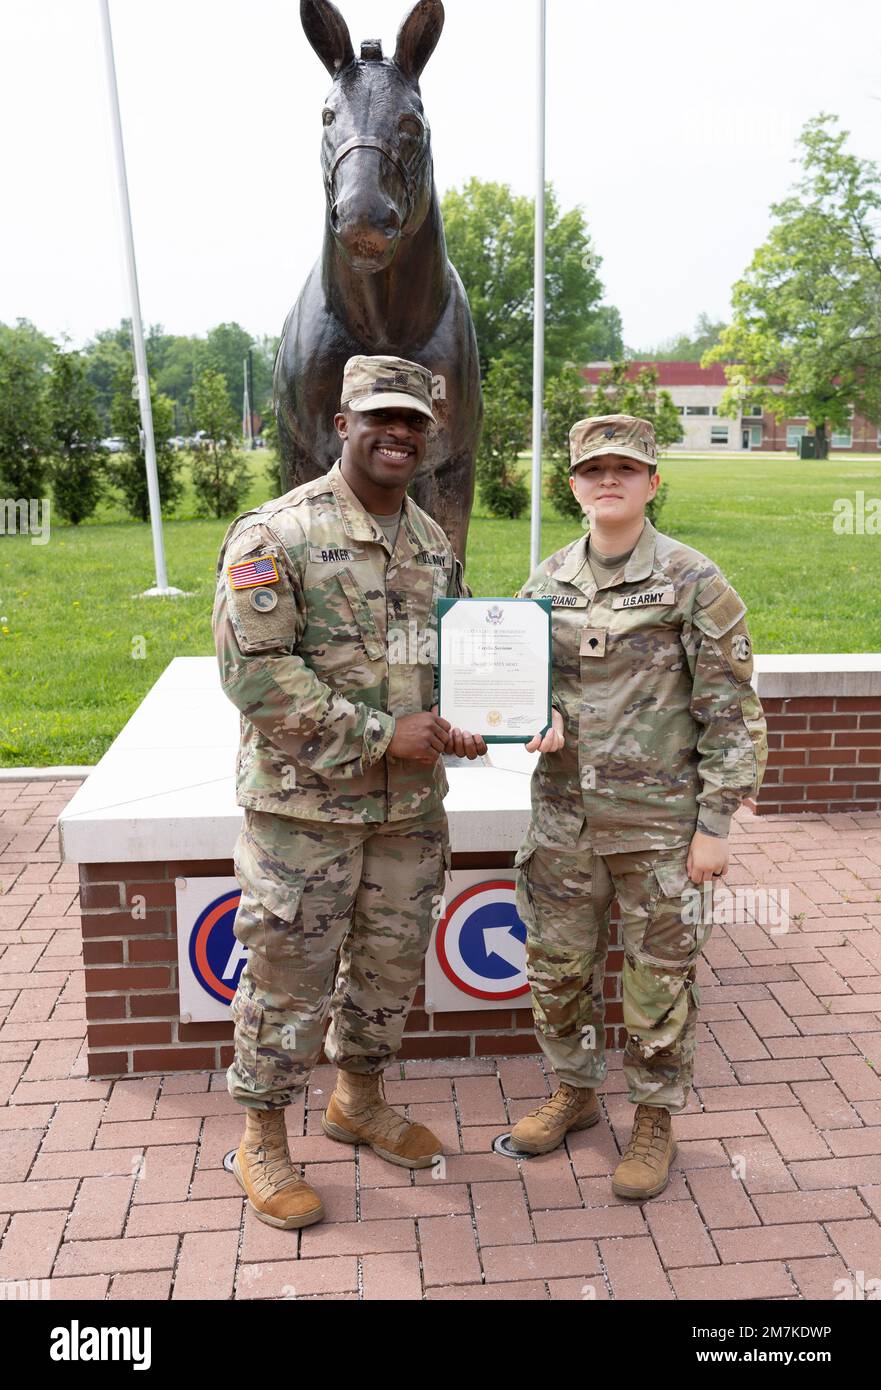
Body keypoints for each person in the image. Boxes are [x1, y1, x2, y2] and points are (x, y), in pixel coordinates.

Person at [213, 354, 486, 1230]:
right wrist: (379, 735)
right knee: (288, 975)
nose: (398, 433)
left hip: (406, 811)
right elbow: (255, 674)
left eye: (413, 421)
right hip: (305, 814)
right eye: (380, 418)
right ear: (343, 425)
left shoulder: (431, 539)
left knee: (387, 967)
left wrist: (470, 716)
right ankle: (261, 1138)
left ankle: (356, 1101)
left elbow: (455, 657)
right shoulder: (277, 534)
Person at [510, 414, 767, 1199]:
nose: (608, 480)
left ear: (653, 482)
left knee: (656, 981)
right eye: (594, 470)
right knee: (557, 971)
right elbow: (520, 687)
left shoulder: (694, 580)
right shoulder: (545, 584)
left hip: (659, 829)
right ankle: (575, 1093)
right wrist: (534, 721)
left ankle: (653, 1118)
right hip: (562, 822)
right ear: (573, 486)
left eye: (626, 468)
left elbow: (730, 708)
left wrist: (716, 823)